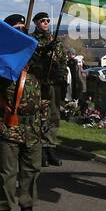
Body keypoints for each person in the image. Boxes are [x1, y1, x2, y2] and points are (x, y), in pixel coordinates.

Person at [0, 13, 48, 211]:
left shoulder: (35, 56)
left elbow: (55, 65)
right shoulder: (1, 60)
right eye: (17, 28)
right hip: (9, 125)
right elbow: (3, 73)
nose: (22, 31)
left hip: (33, 127)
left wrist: (44, 38)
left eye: (24, 28)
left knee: (31, 172)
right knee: (8, 174)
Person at [31, 11, 68, 166]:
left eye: (47, 20)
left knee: (54, 116)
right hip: (39, 83)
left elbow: (63, 61)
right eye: (42, 21)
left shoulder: (56, 41)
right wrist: (45, 49)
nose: (45, 23)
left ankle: (50, 146)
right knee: (40, 115)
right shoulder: (32, 40)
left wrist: (63, 81)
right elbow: (32, 59)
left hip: (54, 84)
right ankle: (39, 149)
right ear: (36, 23)